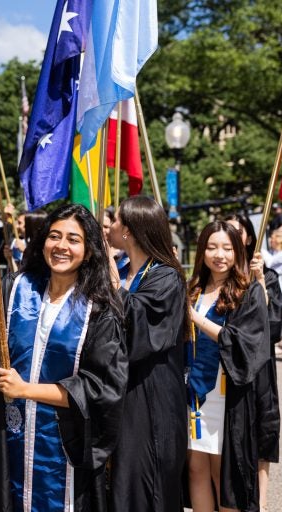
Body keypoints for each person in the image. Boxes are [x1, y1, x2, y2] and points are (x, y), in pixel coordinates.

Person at [0, 198, 127, 511]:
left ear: (88, 250)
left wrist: (25, 390)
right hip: (10, 438)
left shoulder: (98, 310)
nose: (61, 246)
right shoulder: (17, 289)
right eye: (54, 236)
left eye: (73, 239)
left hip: (65, 449)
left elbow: (100, 388)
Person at [106, 195, 189, 512]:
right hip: (119, 392)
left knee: (145, 485)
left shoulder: (166, 276)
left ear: (129, 230)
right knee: (118, 484)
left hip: (152, 398)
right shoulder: (124, 268)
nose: (110, 226)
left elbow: (141, 327)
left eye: (115, 220)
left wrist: (114, 286)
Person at [186, 221, 270, 512]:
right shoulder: (194, 289)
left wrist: (195, 318)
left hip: (226, 396)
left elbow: (242, 341)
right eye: (211, 247)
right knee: (196, 468)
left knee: (223, 476)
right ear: (202, 251)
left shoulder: (248, 292)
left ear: (238, 252)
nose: (219, 255)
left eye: (227, 248)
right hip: (193, 395)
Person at [223, 213, 282, 511]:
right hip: (223, 371)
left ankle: (261, 503)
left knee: (261, 435)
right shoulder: (218, 274)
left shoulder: (266, 276)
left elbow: (273, 327)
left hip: (258, 369)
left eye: (238, 231)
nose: (232, 236)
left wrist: (260, 281)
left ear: (249, 237)